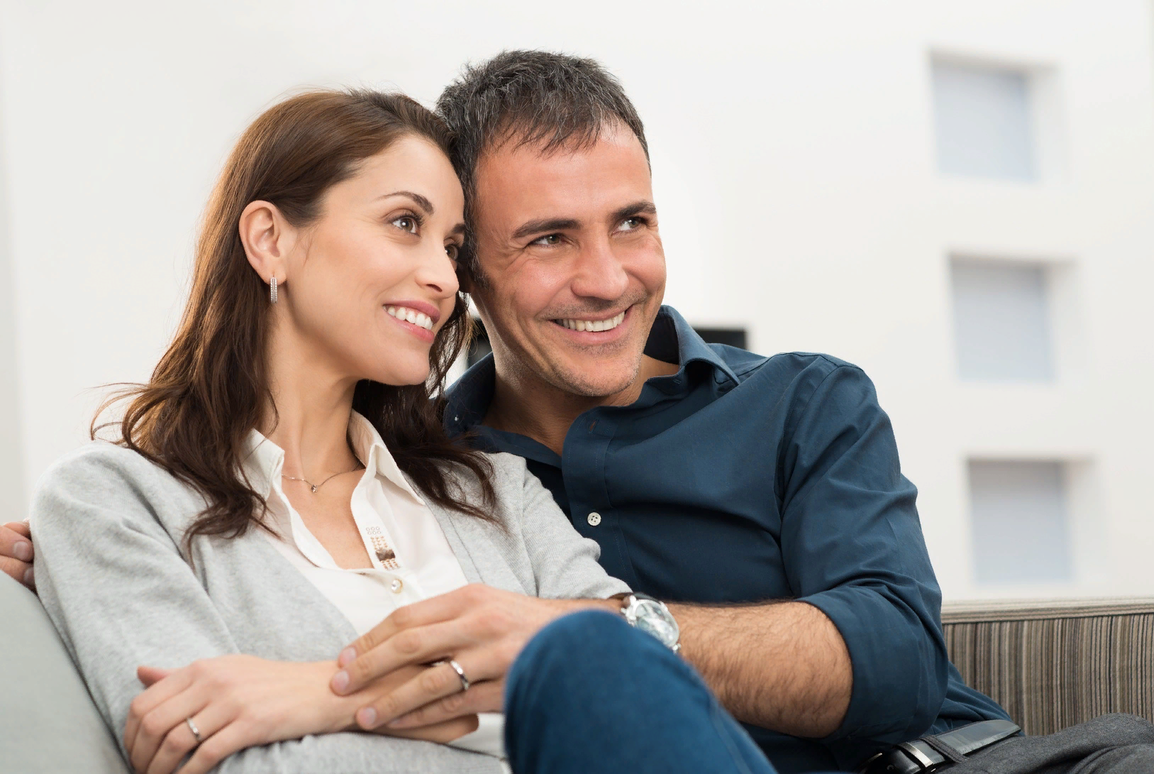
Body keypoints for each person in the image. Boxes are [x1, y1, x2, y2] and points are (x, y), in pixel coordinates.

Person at [25, 88, 783, 774]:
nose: (446, 279)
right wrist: (505, 712)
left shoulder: (492, 488)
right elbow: (230, 760)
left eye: (451, 247)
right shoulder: (111, 503)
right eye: (404, 224)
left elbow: (638, 688)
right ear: (270, 239)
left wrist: (320, 693)